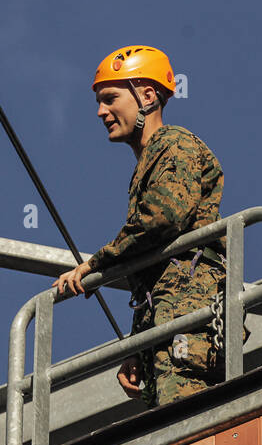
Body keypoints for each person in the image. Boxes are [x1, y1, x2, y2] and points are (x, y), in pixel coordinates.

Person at [53, 45, 227, 407]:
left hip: (187, 316)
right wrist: (137, 345)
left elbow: (162, 219)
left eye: (111, 98)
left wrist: (96, 263)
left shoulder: (174, 144)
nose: (102, 111)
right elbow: (156, 270)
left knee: (186, 430)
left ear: (147, 96)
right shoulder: (148, 164)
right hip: (168, 318)